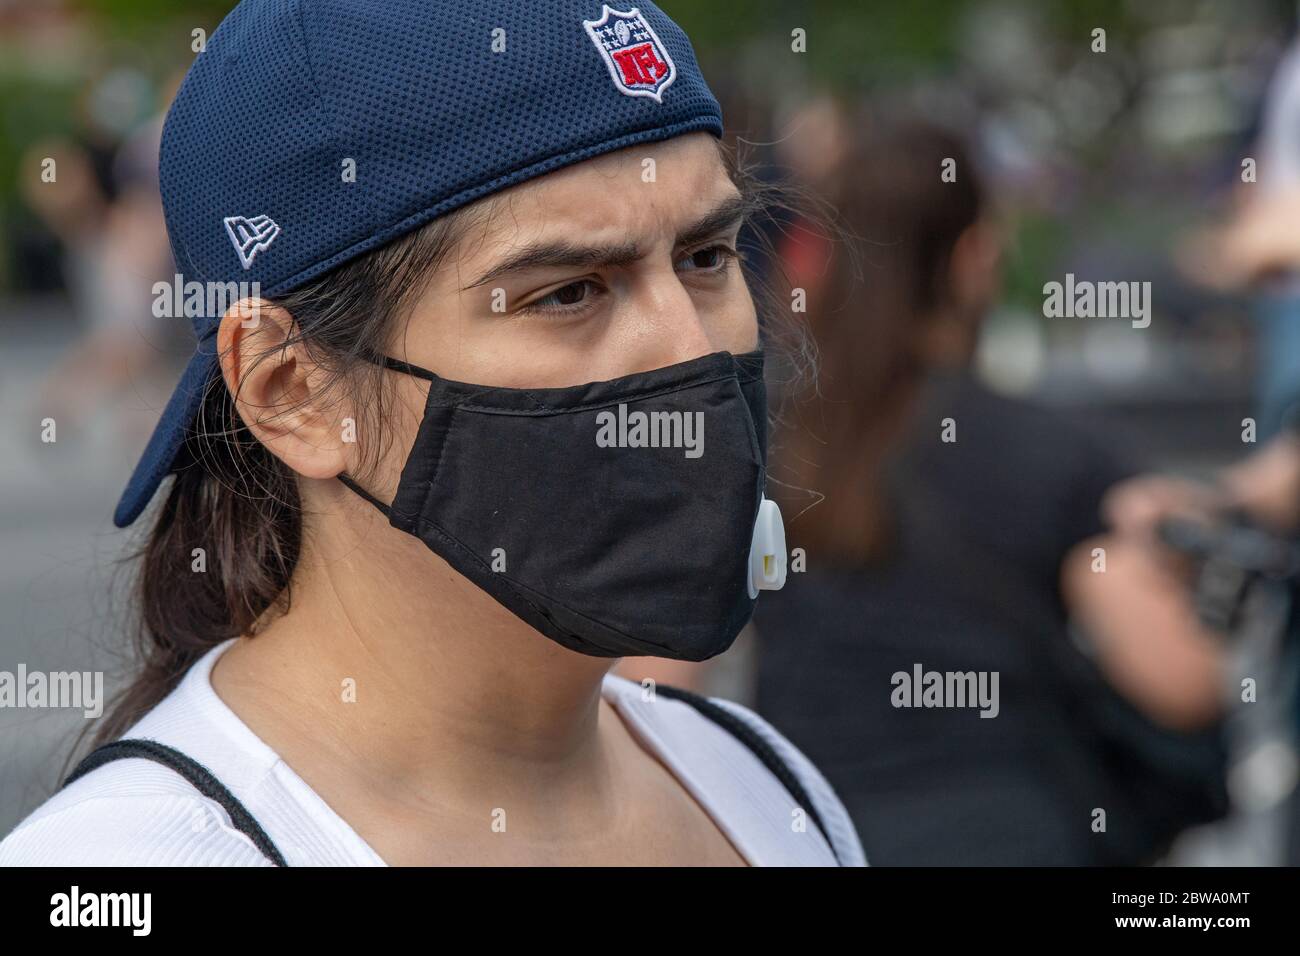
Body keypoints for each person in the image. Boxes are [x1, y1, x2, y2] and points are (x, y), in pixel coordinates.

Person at [0, 0, 864, 868]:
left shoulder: (764, 788)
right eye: (568, 292)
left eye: (706, 258)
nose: (693, 350)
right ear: (290, 391)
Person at [752, 111, 1227, 865]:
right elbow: (1181, 683)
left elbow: (654, 690)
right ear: (973, 257)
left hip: (813, 834)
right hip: (1016, 831)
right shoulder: (1054, 450)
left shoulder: (773, 449)